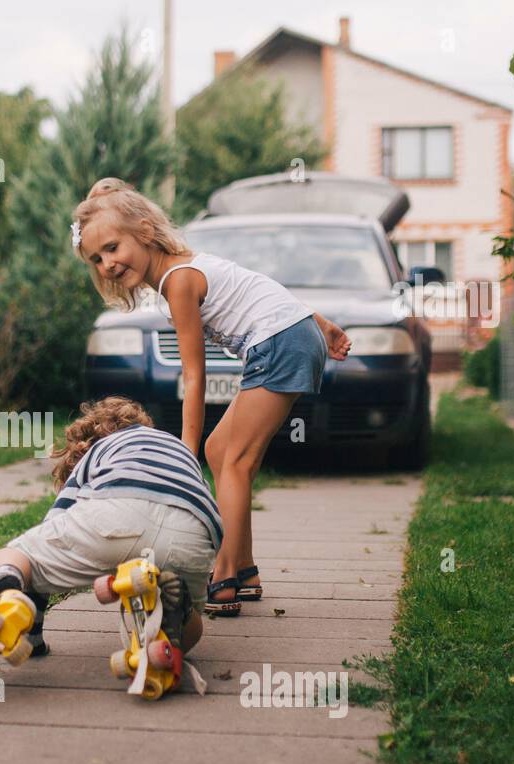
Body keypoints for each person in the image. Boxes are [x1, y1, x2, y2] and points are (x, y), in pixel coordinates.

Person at [71, 178, 352, 616]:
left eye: (112, 247)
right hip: (288, 335)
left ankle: (220, 578)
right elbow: (258, 287)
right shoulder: (183, 268)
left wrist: (185, 450)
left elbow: (194, 374)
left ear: (144, 232)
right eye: (96, 258)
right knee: (224, 451)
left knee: (232, 459)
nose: (107, 263)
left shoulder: (179, 280)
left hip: (279, 343)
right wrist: (321, 322)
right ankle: (244, 569)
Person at [0, 396, 220, 662]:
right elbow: (205, 504)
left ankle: (5, 599)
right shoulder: (178, 449)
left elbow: (56, 521)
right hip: (193, 532)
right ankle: (178, 618)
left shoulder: (99, 449)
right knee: (193, 628)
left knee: (20, 555)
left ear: (84, 443)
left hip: (119, 510)